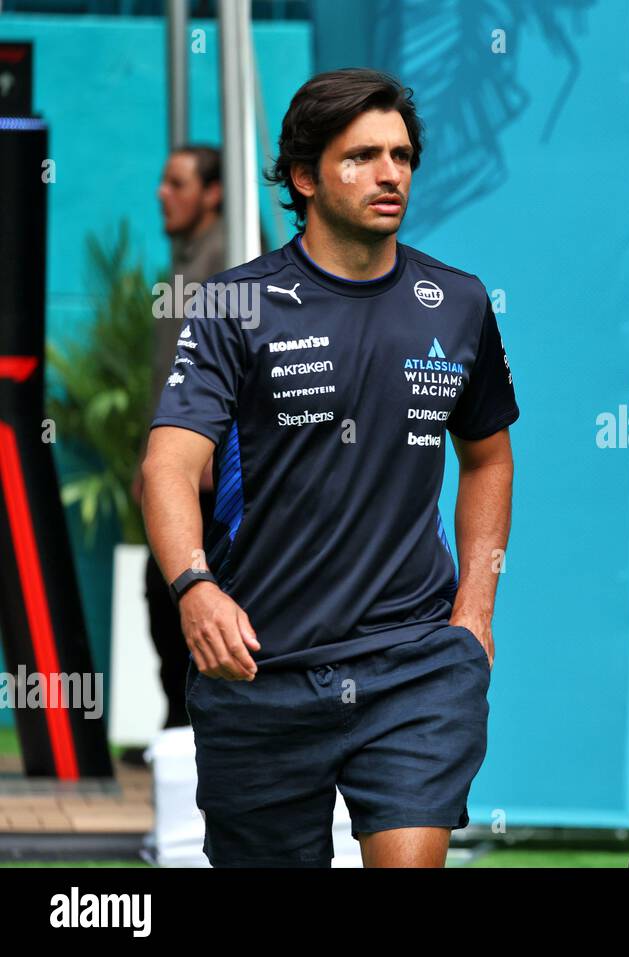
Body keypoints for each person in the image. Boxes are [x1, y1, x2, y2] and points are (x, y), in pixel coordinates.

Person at [140, 68, 518, 867]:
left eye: (403, 156)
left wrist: (475, 610)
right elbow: (167, 467)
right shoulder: (231, 305)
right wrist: (194, 586)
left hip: (414, 663)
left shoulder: (457, 302)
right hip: (260, 669)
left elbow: (487, 456)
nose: (390, 174)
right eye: (363, 157)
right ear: (306, 176)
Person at [127, 145, 225, 753]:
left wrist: (213, 450)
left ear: (213, 194)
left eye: (178, 182)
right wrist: (154, 458)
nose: (163, 193)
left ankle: (195, 729)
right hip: (181, 468)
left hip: (215, 475)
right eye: (164, 181)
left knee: (194, 584)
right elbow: (170, 375)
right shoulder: (183, 267)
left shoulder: (232, 261)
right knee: (164, 587)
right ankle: (179, 725)